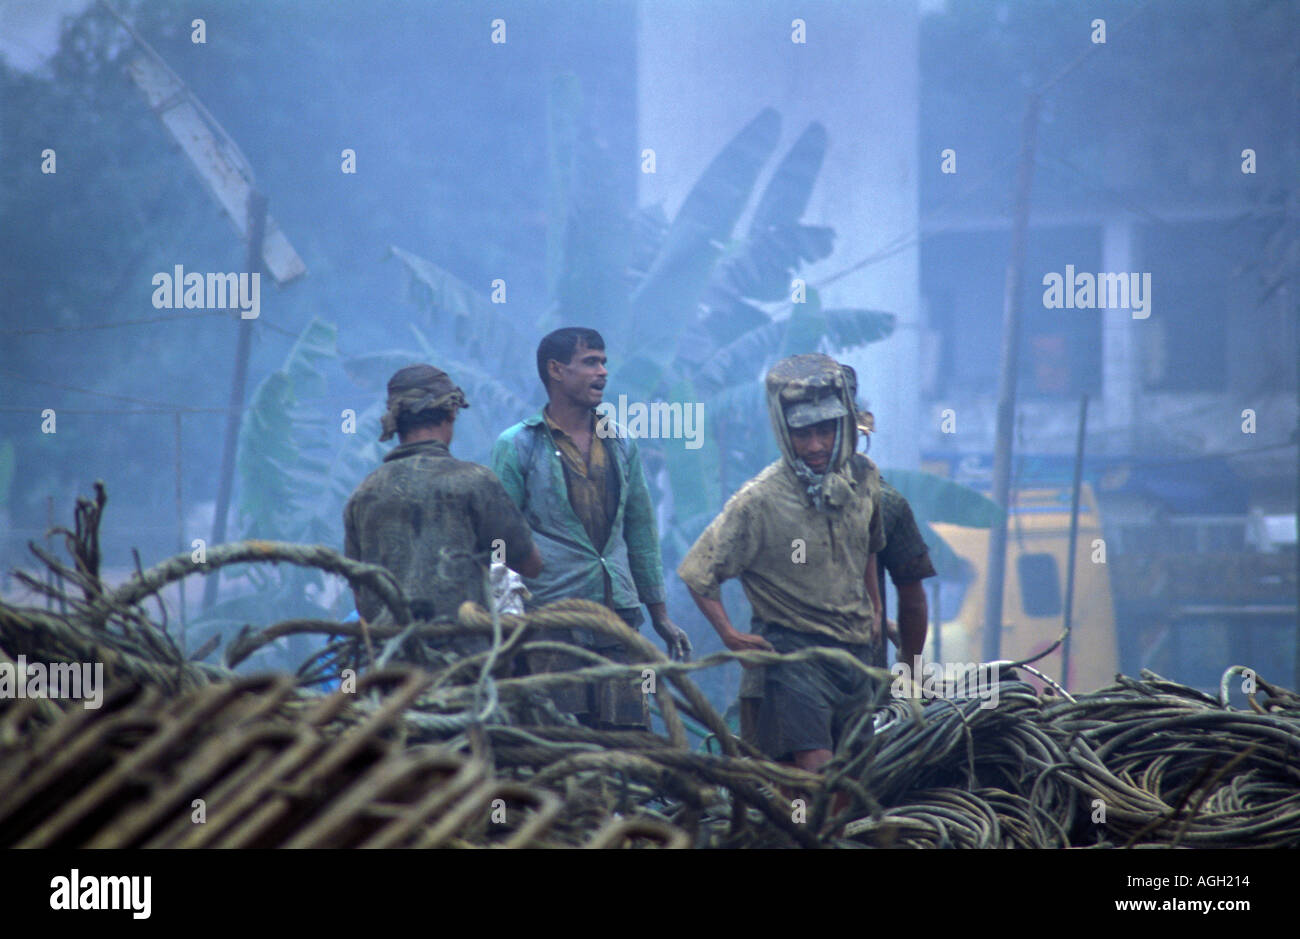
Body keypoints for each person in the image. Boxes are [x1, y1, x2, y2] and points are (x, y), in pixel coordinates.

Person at [679, 353, 885, 771]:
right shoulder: (759, 500)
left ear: (843, 426)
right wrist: (731, 636)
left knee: (852, 780)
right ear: (783, 431)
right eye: (802, 433)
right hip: (792, 657)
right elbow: (698, 573)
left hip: (856, 655)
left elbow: (868, 547)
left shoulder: (864, 478)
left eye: (825, 431)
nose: (815, 446)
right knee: (816, 772)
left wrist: (877, 610)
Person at [491, 327, 691, 730]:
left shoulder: (620, 441)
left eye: (603, 363)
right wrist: (504, 616)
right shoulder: (518, 445)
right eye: (590, 363)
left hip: (618, 617)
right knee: (560, 742)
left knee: (629, 739)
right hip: (549, 621)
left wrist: (659, 614)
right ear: (556, 371)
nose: (602, 372)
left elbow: (640, 530)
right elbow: (499, 541)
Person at [343, 364, 543, 659]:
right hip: (464, 664)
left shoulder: (363, 494)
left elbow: (360, 596)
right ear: (452, 412)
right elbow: (531, 564)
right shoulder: (475, 481)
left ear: (395, 421)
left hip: (389, 668)